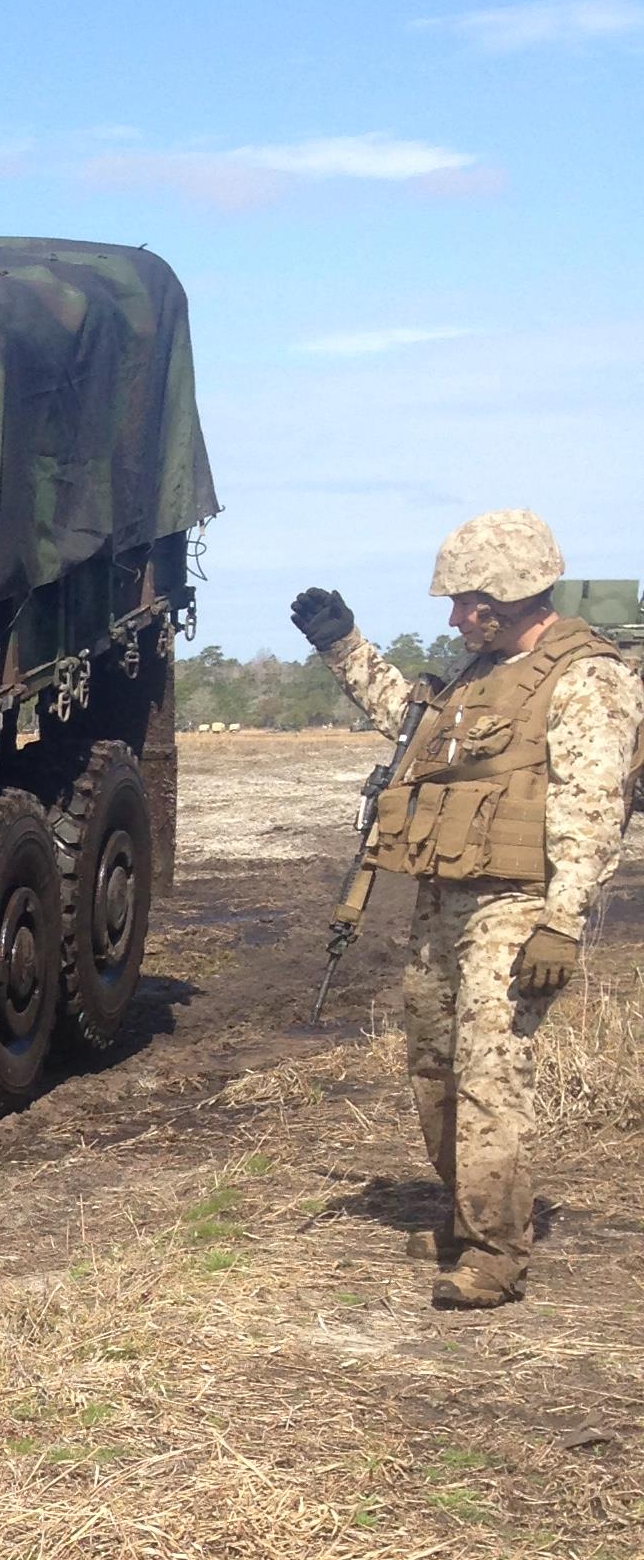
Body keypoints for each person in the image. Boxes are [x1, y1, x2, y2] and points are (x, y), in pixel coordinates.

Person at [291, 514, 641, 1309]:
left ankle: (495, 1253)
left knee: (489, 1070)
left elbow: (593, 805)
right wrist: (343, 645)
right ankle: (466, 1211)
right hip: (447, 895)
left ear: (510, 597)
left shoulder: (589, 677)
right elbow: (409, 725)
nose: (455, 618)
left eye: (467, 603)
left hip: (520, 903)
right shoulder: (476, 673)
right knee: (435, 1063)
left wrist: (563, 918)